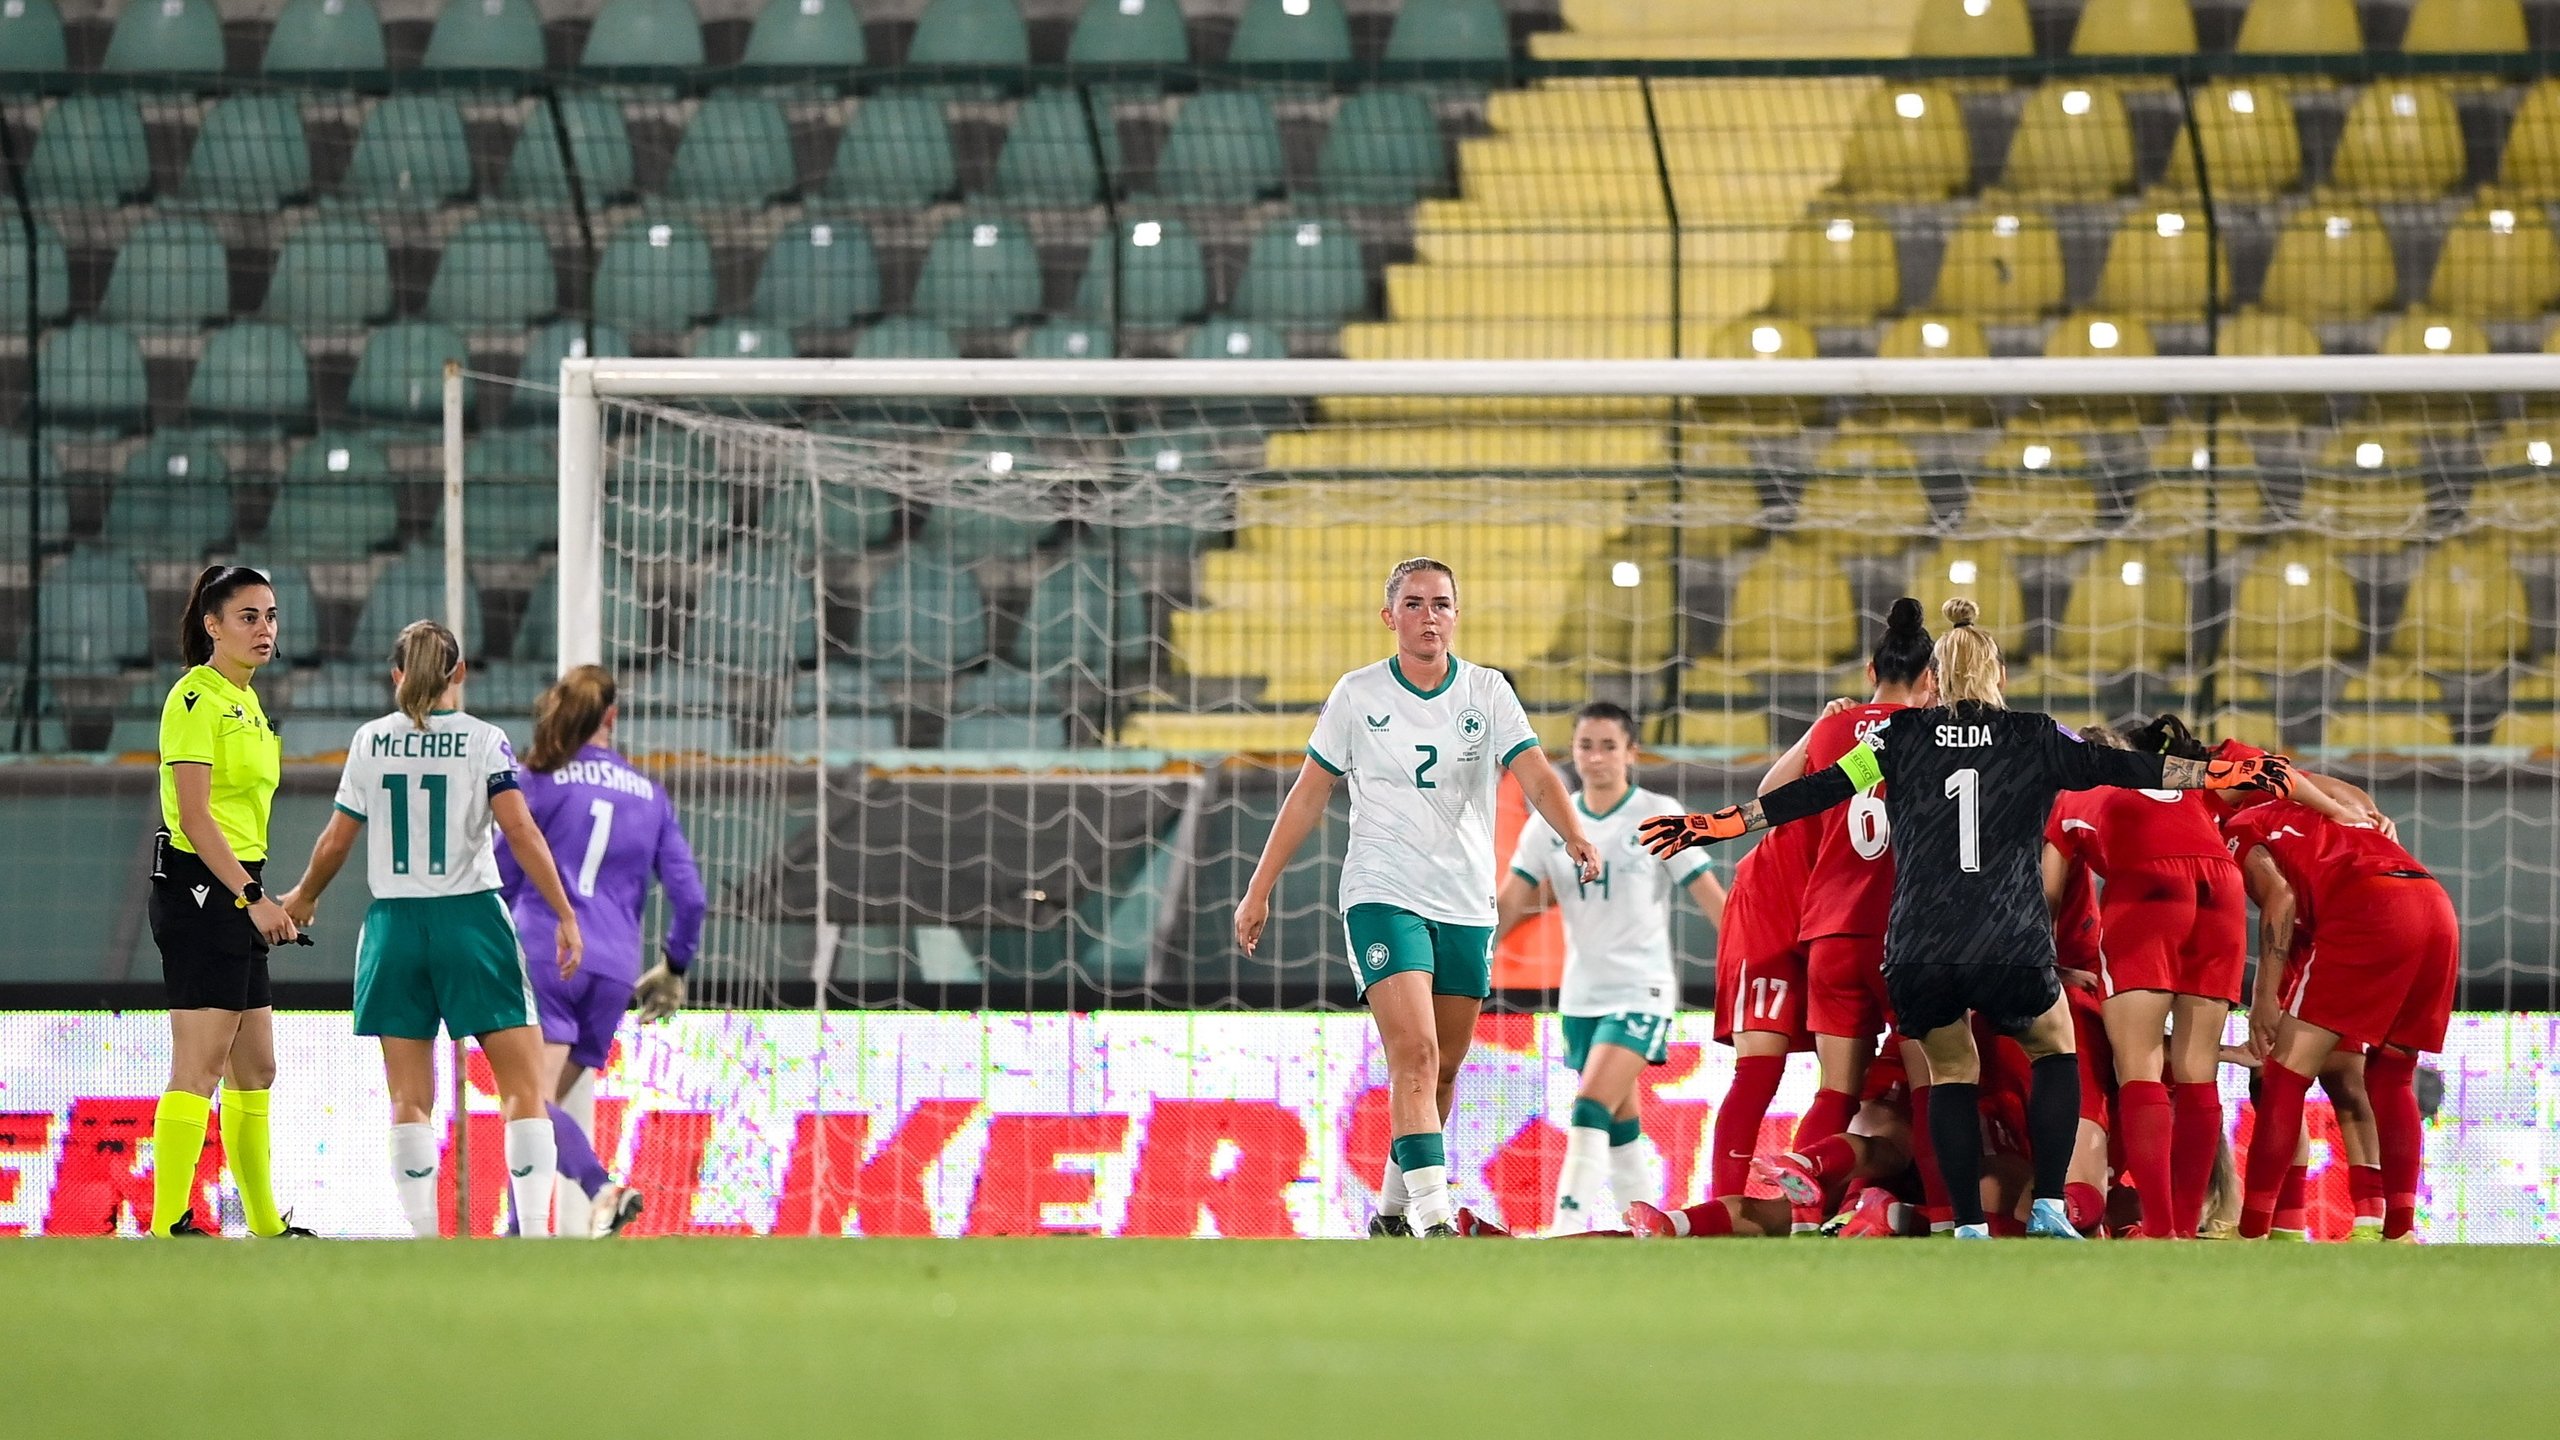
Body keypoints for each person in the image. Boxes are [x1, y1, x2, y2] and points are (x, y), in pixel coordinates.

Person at [1638, 598, 2292, 1239]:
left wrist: (1711, 824)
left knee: (1949, 1073)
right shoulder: (2039, 735)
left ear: (1936, 680)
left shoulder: (1895, 738)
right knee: (2055, 1049)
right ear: (1999, 675)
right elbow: (2135, 766)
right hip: (2008, 941)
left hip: (1920, 946)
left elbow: (1812, 791)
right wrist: (2231, 771)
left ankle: (1966, 1226)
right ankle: (2050, 1206)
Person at [1235, 558, 1601, 1239]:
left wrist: (1575, 836)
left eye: (1440, 603)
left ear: (1456, 615)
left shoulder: (1487, 693)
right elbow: (1309, 793)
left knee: (1443, 1068)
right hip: (1382, 891)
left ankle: (1393, 1211)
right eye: (1413, 603)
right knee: (1416, 1054)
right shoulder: (1358, 694)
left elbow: (1535, 772)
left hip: (1464, 902)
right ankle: (1437, 1215)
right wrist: (1259, 889)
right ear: (1390, 616)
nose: (1428, 615)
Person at [276, 621, 585, 1238]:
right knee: (522, 1086)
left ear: (396, 675)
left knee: (409, 1096)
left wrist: (304, 897)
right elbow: (519, 832)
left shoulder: (370, 741)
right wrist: (564, 913)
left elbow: (338, 838)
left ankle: (424, 1236)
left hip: (392, 925)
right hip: (469, 918)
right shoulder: (484, 741)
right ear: (459, 674)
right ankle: (531, 1233)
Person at [1494, 702, 1726, 1233]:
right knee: (1620, 1122)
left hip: (1641, 989)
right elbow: (1510, 905)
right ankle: (1649, 1225)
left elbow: (1713, 900)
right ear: (1571, 753)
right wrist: (1470, 955)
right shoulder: (1549, 824)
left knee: (1590, 1105)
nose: (1595, 758)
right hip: (1580, 995)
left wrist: (1751, 958)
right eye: (1585, 746)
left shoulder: (1657, 813)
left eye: (1607, 746)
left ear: (1631, 753)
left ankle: (1566, 1225)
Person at [498, 665, 705, 1238]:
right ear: (612, 716)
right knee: (534, 1111)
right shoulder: (652, 796)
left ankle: (601, 1189)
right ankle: (518, 1235)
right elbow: (691, 897)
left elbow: (503, 873)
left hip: (547, 953)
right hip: (614, 971)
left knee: (526, 1105)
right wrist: (675, 965)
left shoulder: (537, 780)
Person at [146, 565, 309, 1238]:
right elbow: (193, 817)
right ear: (213, 625)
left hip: (240, 887)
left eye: (270, 615)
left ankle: (266, 1225)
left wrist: (268, 894)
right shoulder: (196, 697)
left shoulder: (247, 703)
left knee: (257, 1065)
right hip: (202, 887)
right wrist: (252, 897)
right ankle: (166, 1222)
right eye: (248, 616)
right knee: (202, 1062)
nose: (264, 628)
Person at [2040, 723, 2247, 1239]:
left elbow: (2045, 898)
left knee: (2141, 1066)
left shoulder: (2072, 795)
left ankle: (2160, 1229)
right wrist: (2341, 810)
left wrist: (2043, 964)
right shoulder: (2181, 780)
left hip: (2148, 890)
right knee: (2197, 1070)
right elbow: (2273, 774)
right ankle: (2186, 1220)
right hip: (2223, 886)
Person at [2220, 796, 2455, 1242]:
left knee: (2284, 1076)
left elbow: (2280, 899)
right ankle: (2399, 1229)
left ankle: (2252, 1229)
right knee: (2393, 1077)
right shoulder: (2330, 813)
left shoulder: (2240, 826)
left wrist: (2264, 995)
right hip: (2435, 905)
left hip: (2368, 908)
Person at [1790, 599, 1937, 1173]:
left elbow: (1774, 790)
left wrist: (1822, 725)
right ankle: (1949, 1215)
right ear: (1930, 680)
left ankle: (1800, 1207)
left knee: (1835, 1092)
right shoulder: (1932, 735)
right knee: (1934, 1086)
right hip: (1906, 936)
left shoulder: (1830, 732)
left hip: (1831, 930)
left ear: (1872, 672)